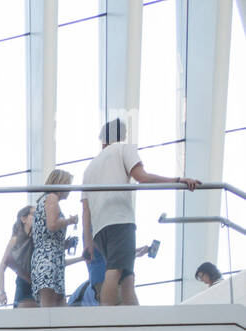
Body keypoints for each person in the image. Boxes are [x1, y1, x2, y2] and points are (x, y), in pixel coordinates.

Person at [82, 117, 201, 306]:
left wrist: (88, 242)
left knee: (127, 275)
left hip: (99, 229)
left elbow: (86, 209)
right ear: (122, 135)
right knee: (115, 270)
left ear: (103, 138)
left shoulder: (89, 168)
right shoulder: (123, 149)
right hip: (119, 219)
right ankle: (107, 316)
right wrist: (178, 180)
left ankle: (134, 318)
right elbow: (142, 177)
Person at [31, 169, 78, 308]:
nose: (70, 189)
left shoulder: (46, 200)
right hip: (48, 258)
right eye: (68, 184)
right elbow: (52, 225)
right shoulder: (51, 198)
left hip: (51, 256)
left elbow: (47, 233)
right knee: (51, 305)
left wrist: (66, 244)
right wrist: (70, 221)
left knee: (57, 303)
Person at [0, 205, 36, 308]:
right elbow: (2, 267)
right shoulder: (15, 240)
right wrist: (2, 292)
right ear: (24, 219)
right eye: (34, 215)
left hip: (38, 284)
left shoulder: (37, 239)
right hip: (24, 284)